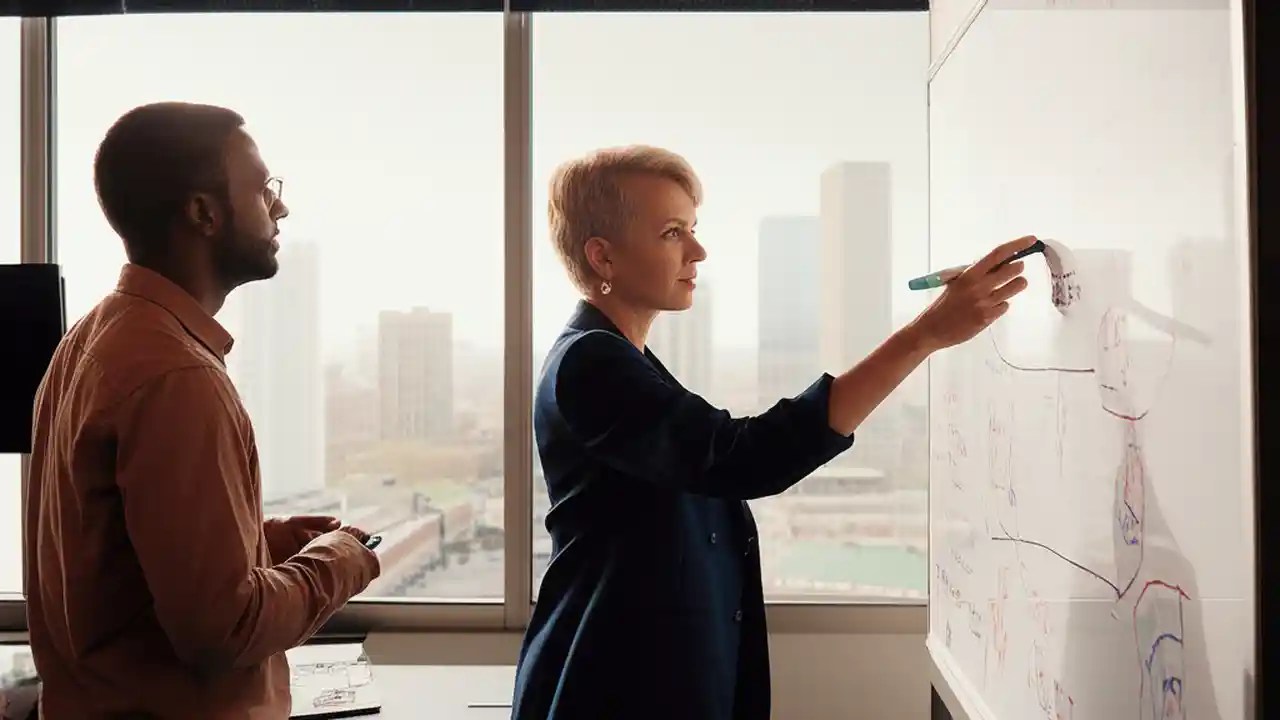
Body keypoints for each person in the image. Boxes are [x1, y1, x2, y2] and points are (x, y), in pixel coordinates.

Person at [511, 145, 1034, 720]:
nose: (698, 250)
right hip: (614, 682)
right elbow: (748, 458)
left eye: (693, 229)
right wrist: (923, 335)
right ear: (602, 257)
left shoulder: (623, 359)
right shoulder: (592, 365)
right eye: (672, 232)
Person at [24, 102, 380, 719]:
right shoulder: (176, 376)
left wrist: (261, 544)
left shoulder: (92, 338)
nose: (281, 208)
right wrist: (338, 562)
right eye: (264, 190)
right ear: (204, 214)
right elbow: (226, 630)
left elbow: (122, 565)